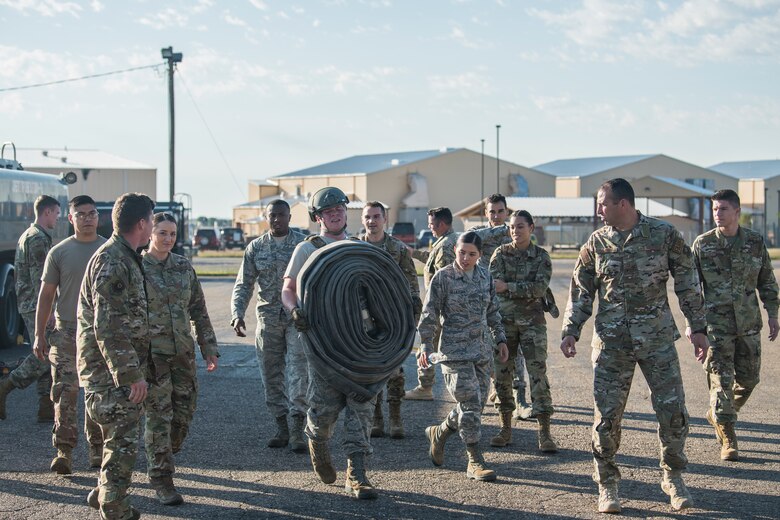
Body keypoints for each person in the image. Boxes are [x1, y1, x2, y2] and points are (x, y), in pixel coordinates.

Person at [560, 178, 708, 514]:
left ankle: (673, 476)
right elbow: (581, 291)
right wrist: (571, 330)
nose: (598, 209)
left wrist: (697, 326)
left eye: (602, 203)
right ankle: (607, 484)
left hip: (656, 339)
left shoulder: (664, 235)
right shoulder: (596, 243)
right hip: (611, 344)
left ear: (622, 204)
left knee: (672, 412)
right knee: (607, 417)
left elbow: (687, 280)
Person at [281, 187, 378, 499]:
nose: (335, 214)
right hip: (323, 343)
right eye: (328, 211)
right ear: (317, 217)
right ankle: (317, 442)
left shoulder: (358, 246)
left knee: (361, 405)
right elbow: (288, 288)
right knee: (324, 412)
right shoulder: (307, 249)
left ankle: (357, 473)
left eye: (339, 209)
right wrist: (294, 309)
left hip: (359, 342)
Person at [78, 192, 155, 520]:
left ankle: (104, 491)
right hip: (108, 373)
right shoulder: (114, 260)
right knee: (124, 435)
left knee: (118, 435)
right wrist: (130, 375)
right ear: (141, 223)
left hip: (111, 369)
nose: (153, 227)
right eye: (151, 220)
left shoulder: (125, 256)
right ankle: (114, 504)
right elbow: (107, 325)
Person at [690, 189, 779, 462]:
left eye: (723, 209)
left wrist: (773, 313)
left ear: (737, 212)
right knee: (721, 382)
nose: (718, 214)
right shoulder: (702, 245)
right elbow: (692, 290)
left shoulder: (754, 242)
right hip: (717, 329)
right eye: (715, 209)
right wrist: (695, 327)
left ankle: (717, 413)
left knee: (750, 379)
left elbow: (766, 280)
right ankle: (728, 435)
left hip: (749, 325)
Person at [143, 211, 220, 505]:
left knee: (183, 415)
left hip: (183, 355)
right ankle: (162, 479)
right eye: (162, 233)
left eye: (172, 234)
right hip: (153, 357)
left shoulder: (183, 267)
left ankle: (162, 453)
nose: (168, 239)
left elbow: (198, 309)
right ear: (150, 233)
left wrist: (208, 347)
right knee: (159, 418)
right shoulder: (138, 267)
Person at [420, 231, 508, 482]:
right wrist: (425, 345)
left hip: (480, 351)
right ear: (455, 250)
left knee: (476, 406)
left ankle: (440, 431)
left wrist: (500, 339)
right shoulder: (443, 277)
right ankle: (474, 460)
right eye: (462, 252)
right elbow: (429, 314)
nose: (466, 258)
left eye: (472, 254)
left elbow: (493, 312)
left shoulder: (485, 277)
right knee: (470, 405)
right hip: (454, 352)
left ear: (480, 255)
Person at [34, 195, 106, 474]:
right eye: (82, 214)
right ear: (71, 218)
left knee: (96, 392)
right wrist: (40, 335)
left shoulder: (107, 250)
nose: (88, 218)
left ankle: (97, 451)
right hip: (66, 332)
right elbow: (46, 295)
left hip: (99, 333)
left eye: (92, 213)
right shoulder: (59, 252)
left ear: (98, 217)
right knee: (64, 392)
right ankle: (63, 451)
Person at [231, 199, 308, 451]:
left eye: (281, 215)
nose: (277, 219)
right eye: (272, 215)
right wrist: (237, 313)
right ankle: (281, 427)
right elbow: (244, 283)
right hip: (268, 319)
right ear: (266, 217)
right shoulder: (255, 247)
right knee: (270, 374)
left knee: (299, 373)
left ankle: (298, 428)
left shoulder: (303, 245)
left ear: (289, 216)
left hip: (297, 319)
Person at [489, 210, 557, 453]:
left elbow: (539, 288)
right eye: (512, 227)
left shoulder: (541, 256)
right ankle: (505, 428)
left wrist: (509, 286)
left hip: (533, 324)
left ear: (531, 227)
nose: (515, 231)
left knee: (538, 375)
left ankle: (545, 433)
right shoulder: (500, 254)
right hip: (504, 324)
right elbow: (494, 285)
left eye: (520, 226)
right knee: (502, 375)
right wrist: (514, 288)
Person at [361, 201, 422, 439]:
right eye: (368, 217)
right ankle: (377, 418)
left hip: (393, 317)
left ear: (384, 219)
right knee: (371, 369)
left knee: (395, 369)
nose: (372, 221)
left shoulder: (397, 248)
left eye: (376, 216)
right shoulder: (355, 247)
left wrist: (412, 317)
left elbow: (411, 285)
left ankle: (395, 417)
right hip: (364, 318)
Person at [0, 194, 60, 422]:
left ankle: (46, 407)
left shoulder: (30, 234)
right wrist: (50, 310)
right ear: (47, 212)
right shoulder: (38, 239)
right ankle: (7, 384)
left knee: (47, 353)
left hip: (30, 304)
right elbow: (41, 280)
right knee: (44, 353)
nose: (57, 217)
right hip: (37, 306)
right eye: (56, 213)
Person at [471, 194, 531, 418]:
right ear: (486, 214)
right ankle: (495, 388)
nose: (496, 216)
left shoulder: (514, 235)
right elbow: (470, 237)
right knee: (485, 347)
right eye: (492, 212)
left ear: (506, 212)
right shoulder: (482, 234)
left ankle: (520, 396)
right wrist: (501, 230)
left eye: (500, 211)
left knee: (515, 349)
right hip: (484, 300)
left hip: (509, 299)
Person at [406, 207, 459, 401]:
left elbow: (444, 278)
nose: (429, 227)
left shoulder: (446, 246)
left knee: (427, 346)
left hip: (438, 307)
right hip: (442, 307)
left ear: (442, 224)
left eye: (431, 224)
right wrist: (414, 253)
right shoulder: (447, 241)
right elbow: (432, 260)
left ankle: (425, 387)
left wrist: (435, 310)